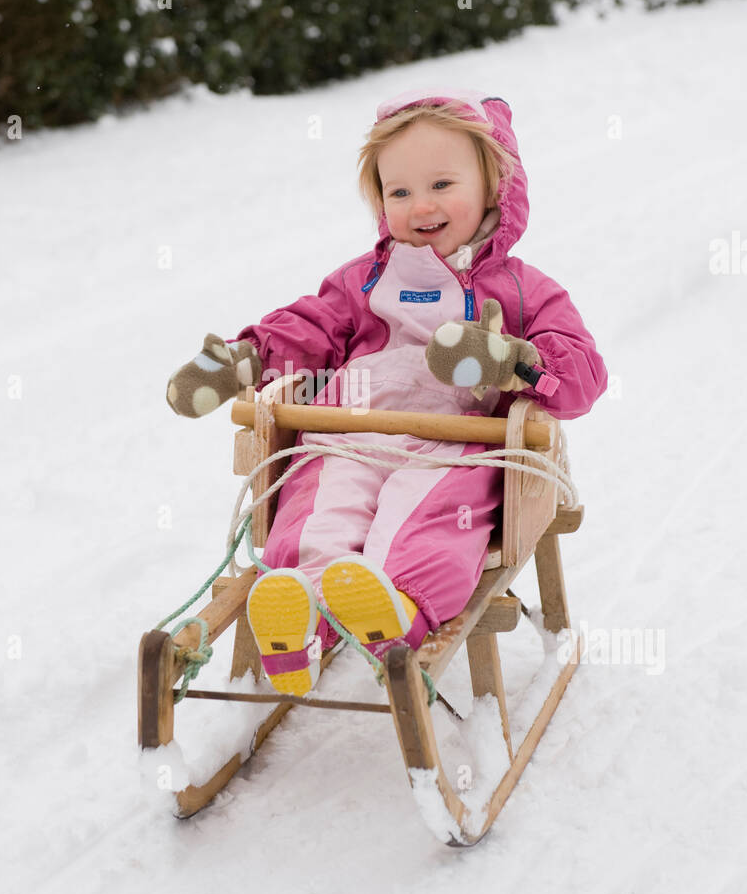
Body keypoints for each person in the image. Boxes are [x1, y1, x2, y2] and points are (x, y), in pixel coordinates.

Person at [167, 89, 608, 696]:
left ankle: (394, 607)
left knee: (420, 519)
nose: (420, 206)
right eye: (399, 192)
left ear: (494, 186)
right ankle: (298, 620)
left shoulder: (523, 290)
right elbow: (311, 327)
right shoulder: (365, 279)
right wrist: (248, 358)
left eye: (441, 184)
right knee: (319, 507)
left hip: (454, 445)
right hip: (351, 431)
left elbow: (582, 374)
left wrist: (514, 364)